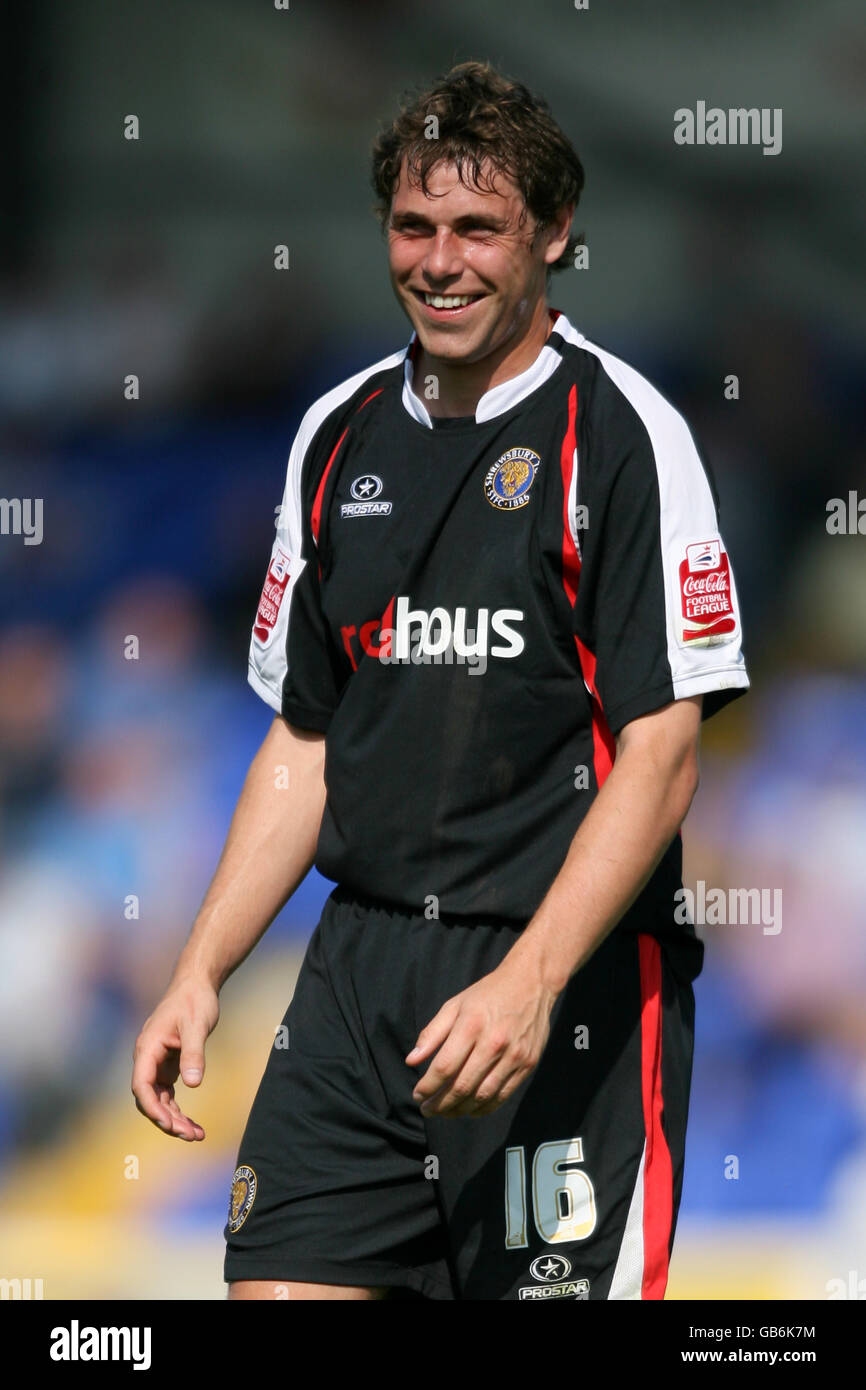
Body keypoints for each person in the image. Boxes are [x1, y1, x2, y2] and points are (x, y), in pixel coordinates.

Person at [132, 60, 749, 1301]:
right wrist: (200, 969)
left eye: (477, 227)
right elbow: (304, 742)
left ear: (552, 233)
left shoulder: (624, 435)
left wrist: (527, 984)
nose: (439, 260)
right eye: (413, 227)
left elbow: (662, 753)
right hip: (356, 983)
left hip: (561, 988)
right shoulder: (334, 434)